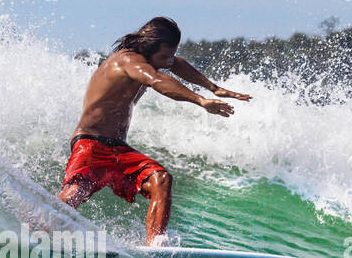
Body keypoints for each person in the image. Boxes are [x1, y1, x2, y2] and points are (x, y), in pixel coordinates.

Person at [58, 17, 250, 245]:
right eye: (163, 56)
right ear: (147, 48)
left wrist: (214, 88)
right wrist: (200, 100)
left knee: (161, 179)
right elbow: (157, 80)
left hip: (118, 149)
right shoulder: (129, 62)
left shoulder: (151, 59)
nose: (167, 61)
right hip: (91, 144)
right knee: (77, 192)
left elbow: (177, 64)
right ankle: (35, 225)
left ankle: (156, 246)